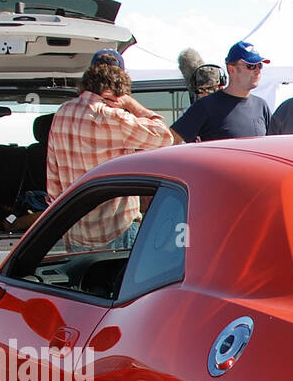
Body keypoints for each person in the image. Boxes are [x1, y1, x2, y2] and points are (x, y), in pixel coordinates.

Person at [46, 49, 177, 250]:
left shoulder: (63, 113)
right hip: (116, 229)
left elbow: (54, 183)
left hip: (74, 231)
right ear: (117, 89)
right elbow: (165, 137)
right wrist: (132, 105)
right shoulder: (115, 119)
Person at [172, 41, 272, 141]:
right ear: (231, 69)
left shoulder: (261, 106)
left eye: (260, 65)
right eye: (251, 66)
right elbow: (168, 142)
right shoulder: (206, 106)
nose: (257, 70)